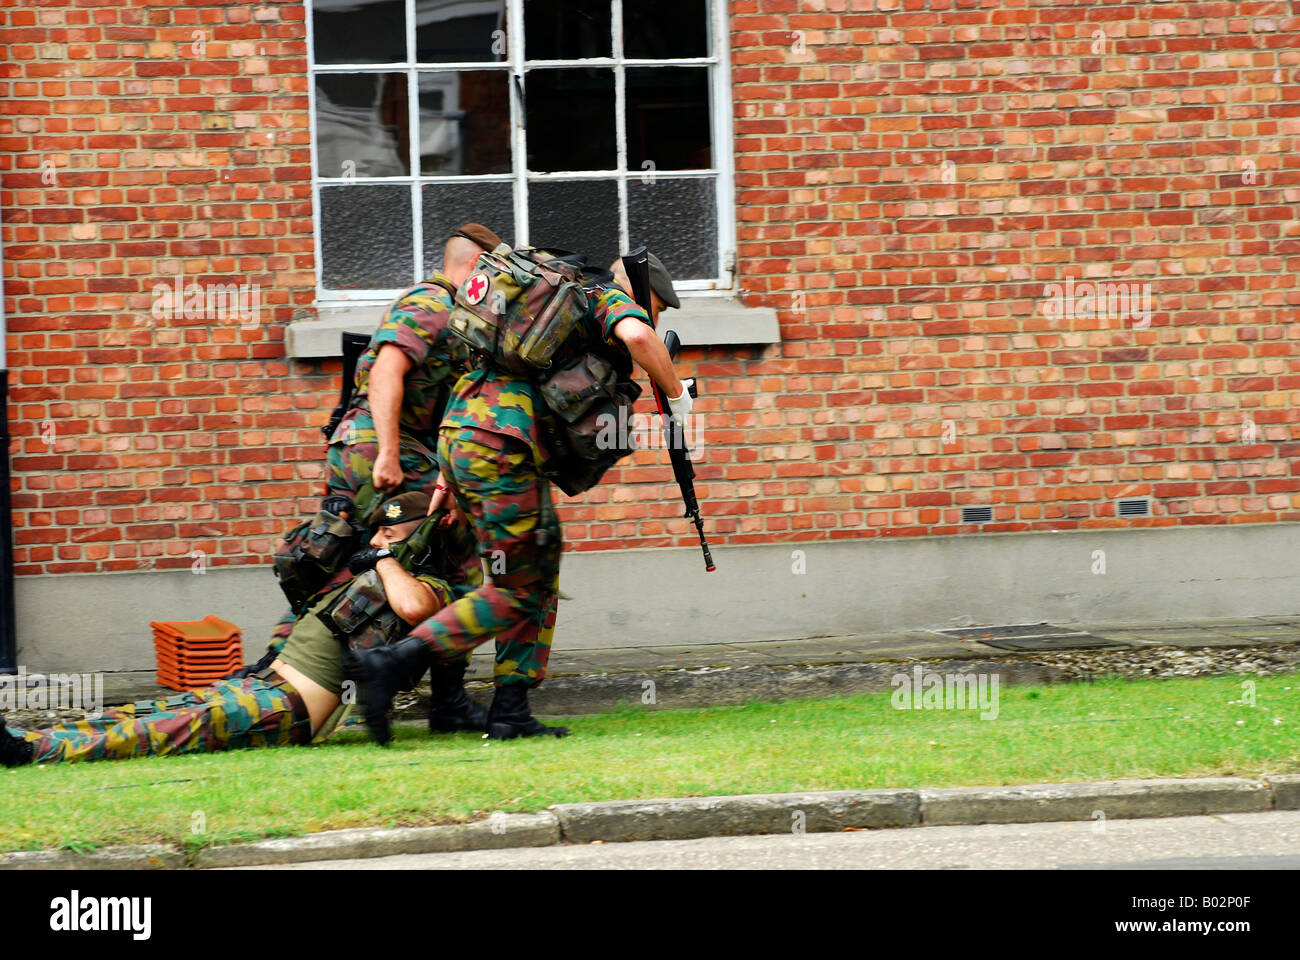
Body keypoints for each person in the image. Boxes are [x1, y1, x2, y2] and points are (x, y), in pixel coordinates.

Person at [349, 250, 693, 744]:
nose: (655, 321)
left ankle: (511, 706)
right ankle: (393, 662)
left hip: (467, 435)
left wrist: (449, 477)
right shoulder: (607, 300)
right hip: (502, 446)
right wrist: (678, 398)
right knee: (515, 588)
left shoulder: (554, 307)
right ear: (647, 293)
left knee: (536, 566)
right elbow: (639, 337)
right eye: (658, 309)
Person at [245, 224, 505, 731]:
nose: (497, 291)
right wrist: (389, 453)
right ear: (475, 267)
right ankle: (448, 703)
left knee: (336, 559)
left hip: (361, 449)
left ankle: (271, 669)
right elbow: (387, 371)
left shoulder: (450, 311)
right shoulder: (434, 304)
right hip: (386, 450)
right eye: (495, 277)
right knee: (457, 555)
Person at [0, 493, 456, 767]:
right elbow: (295, 569)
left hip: (286, 710)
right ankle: (28, 741)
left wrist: (385, 561)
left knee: (166, 730)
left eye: (390, 537)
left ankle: (32, 755)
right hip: (260, 687)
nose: (377, 542)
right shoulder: (376, 570)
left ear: (419, 541)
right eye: (377, 535)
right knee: (146, 713)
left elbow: (415, 607)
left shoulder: (430, 587)